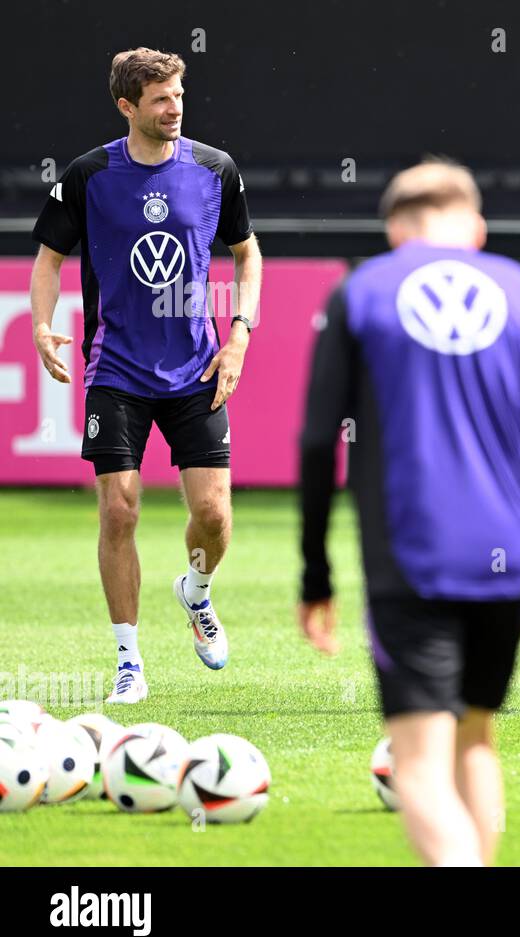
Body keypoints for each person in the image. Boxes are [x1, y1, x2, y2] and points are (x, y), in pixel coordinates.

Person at [298, 161, 520, 866]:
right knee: (476, 737)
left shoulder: (361, 292)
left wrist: (316, 574)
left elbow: (319, 441)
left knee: (419, 767)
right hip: (511, 559)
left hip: (413, 556)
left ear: (395, 228)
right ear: (476, 225)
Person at [30, 47, 261, 703]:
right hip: (116, 369)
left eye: (180, 94)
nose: (175, 107)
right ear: (127, 106)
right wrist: (42, 324)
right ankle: (129, 662)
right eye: (161, 99)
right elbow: (48, 261)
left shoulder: (216, 169)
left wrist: (240, 335)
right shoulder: (89, 174)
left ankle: (195, 590)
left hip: (196, 368)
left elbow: (247, 257)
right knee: (120, 509)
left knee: (214, 517)